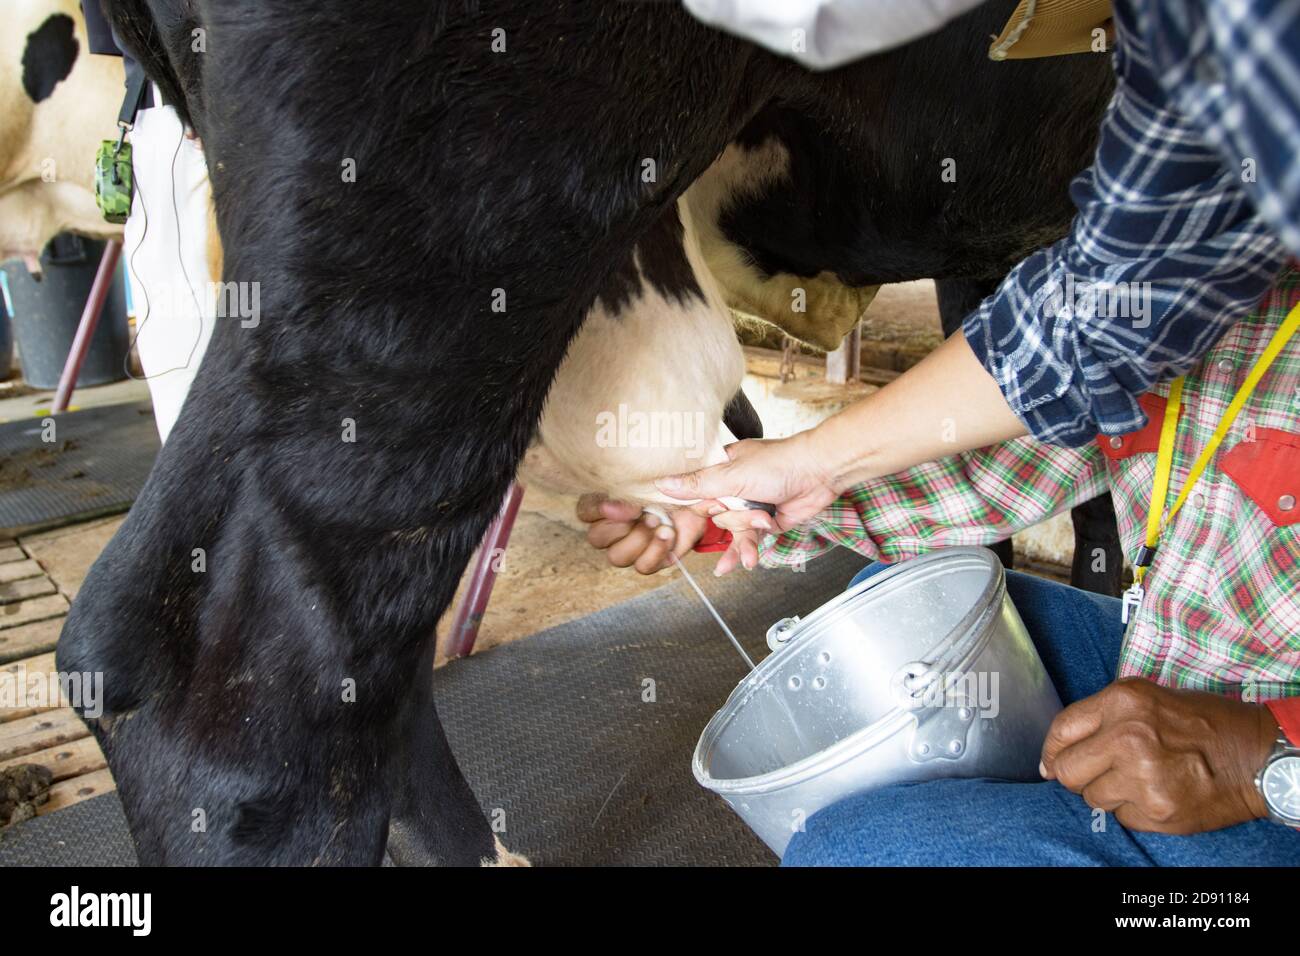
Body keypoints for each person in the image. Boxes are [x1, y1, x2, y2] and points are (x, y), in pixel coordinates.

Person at [577, 0, 1300, 863]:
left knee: (856, 850)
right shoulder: (1226, 277)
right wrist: (753, 497)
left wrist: (1257, 757)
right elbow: (1026, 430)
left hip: (1269, 751)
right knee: (886, 616)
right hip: (1180, 651)